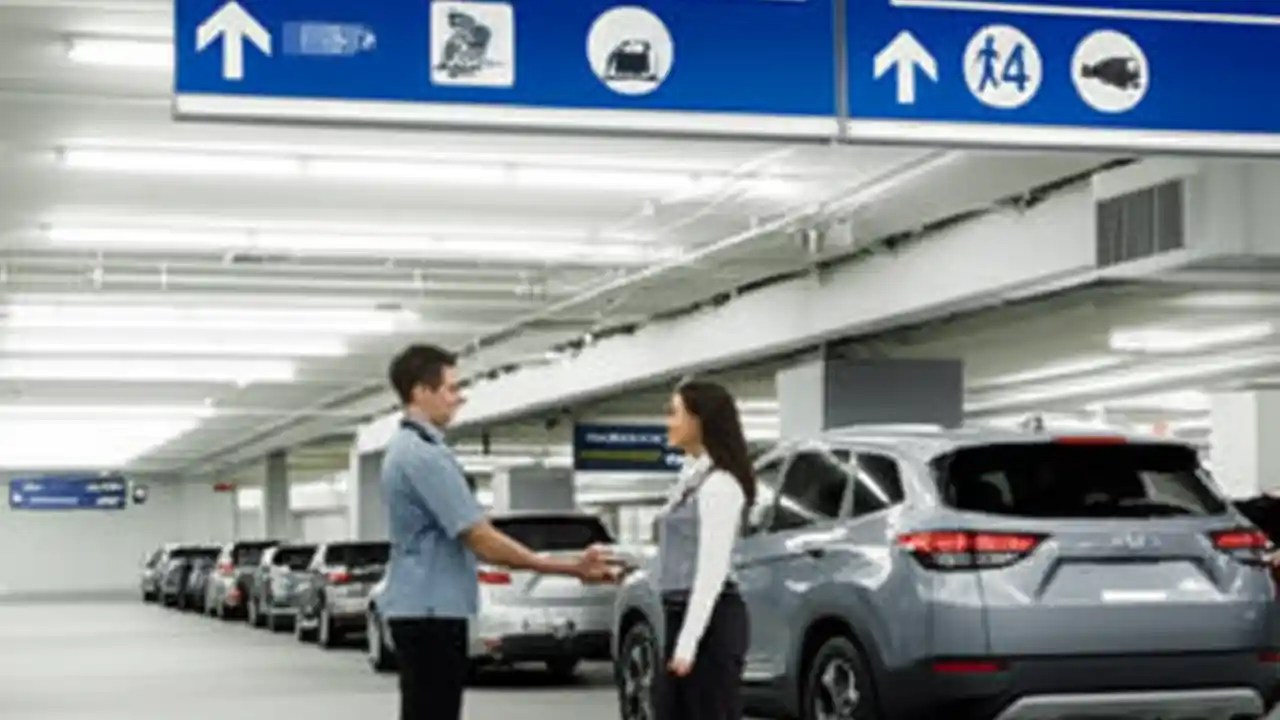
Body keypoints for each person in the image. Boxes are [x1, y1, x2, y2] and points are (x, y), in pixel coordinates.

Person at [378, 344, 617, 720]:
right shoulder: (423, 455)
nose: (460, 398)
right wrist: (569, 568)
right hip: (431, 613)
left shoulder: (408, 449)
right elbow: (480, 538)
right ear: (420, 392)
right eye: (451, 388)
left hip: (424, 607)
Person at [655, 380, 757, 720]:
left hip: (710, 623)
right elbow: (678, 549)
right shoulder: (691, 479)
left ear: (700, 420)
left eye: (675, 413)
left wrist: (688, 644)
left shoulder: (720, 486)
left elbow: (711, 570)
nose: (669, 422)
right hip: (679, 614)